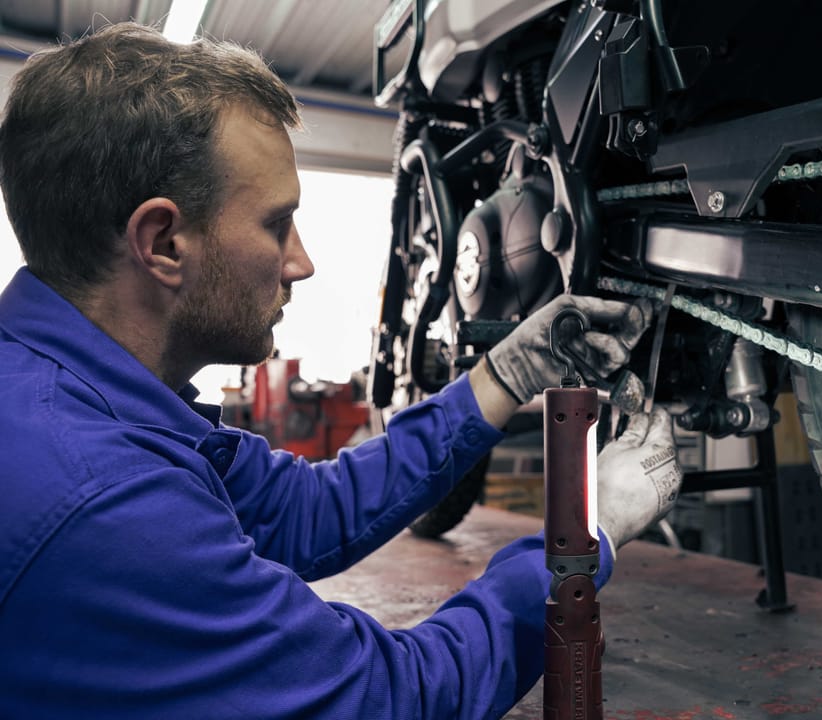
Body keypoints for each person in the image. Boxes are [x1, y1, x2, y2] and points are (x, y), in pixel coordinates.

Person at [0, 22, 682, 719]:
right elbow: (387, 699)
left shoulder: (80, 399)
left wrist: (506, 373)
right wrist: (585, 534)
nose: (301, 263)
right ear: (164, 242)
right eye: (276, 224)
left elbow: (304, 511)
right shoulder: (99, 494)